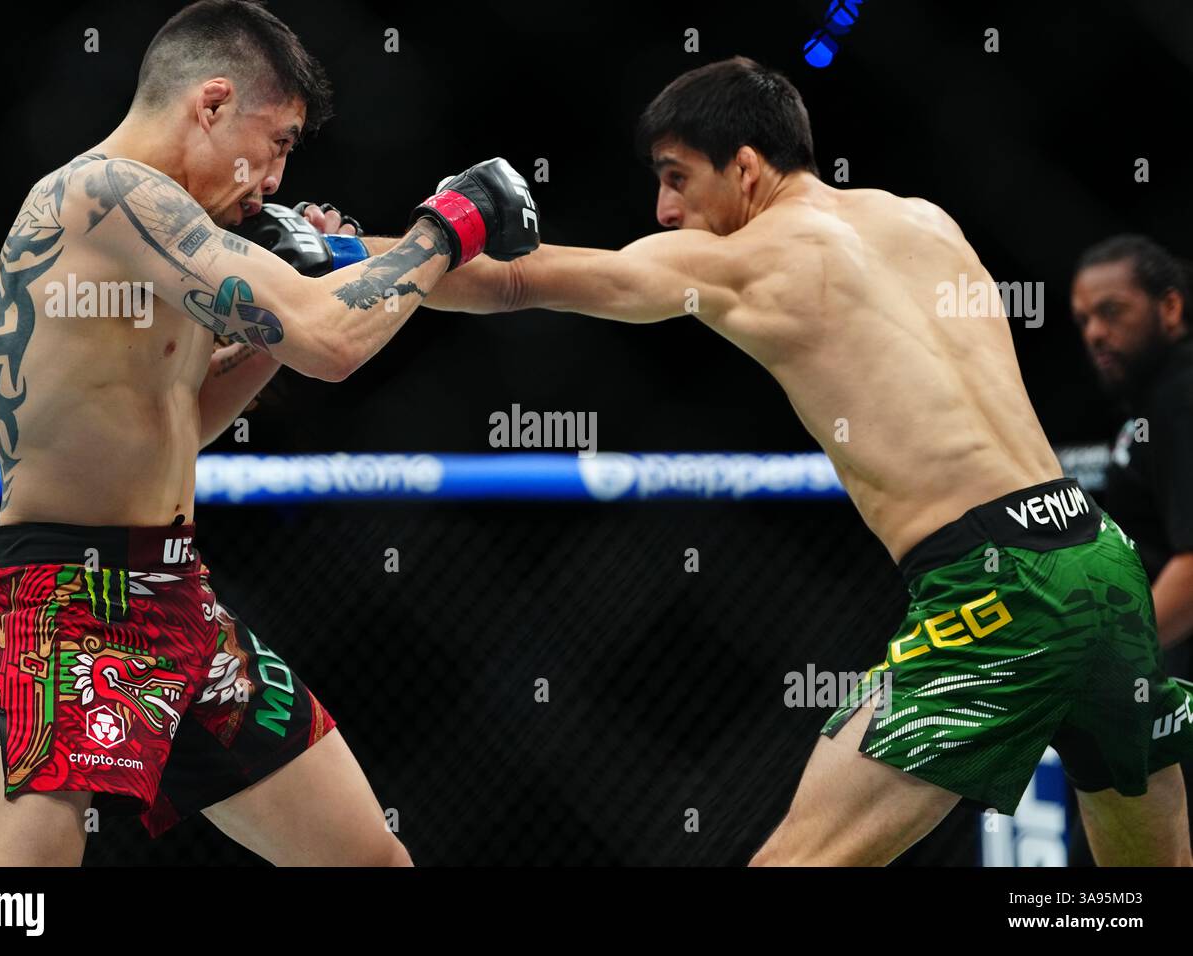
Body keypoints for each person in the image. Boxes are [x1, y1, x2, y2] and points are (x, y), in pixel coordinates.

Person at [401, 56, 1193, 865]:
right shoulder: (925, 220)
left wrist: (367, 256)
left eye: (677, 178)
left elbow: (516, 282)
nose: (664, 209)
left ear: (745, 165)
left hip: (996, 586)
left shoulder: (749, 258)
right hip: (1098, 556)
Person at [0, 0, 537, 866]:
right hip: (68, 603)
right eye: (282, 142)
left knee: (372, 861)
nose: (274, 180)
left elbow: (179, 422)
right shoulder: (108, 196)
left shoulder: (169, 230)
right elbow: (335, 339)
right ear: (213, 103)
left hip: (176, 597)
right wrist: (449, 224)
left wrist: (269, 339)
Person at [1067, 234, 1193, 864]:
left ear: (1169, 308)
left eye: (1112, 311)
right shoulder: (1154, 407)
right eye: (1084, 319)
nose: (1094, 333)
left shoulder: (1180, 398)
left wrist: (1107, 663)